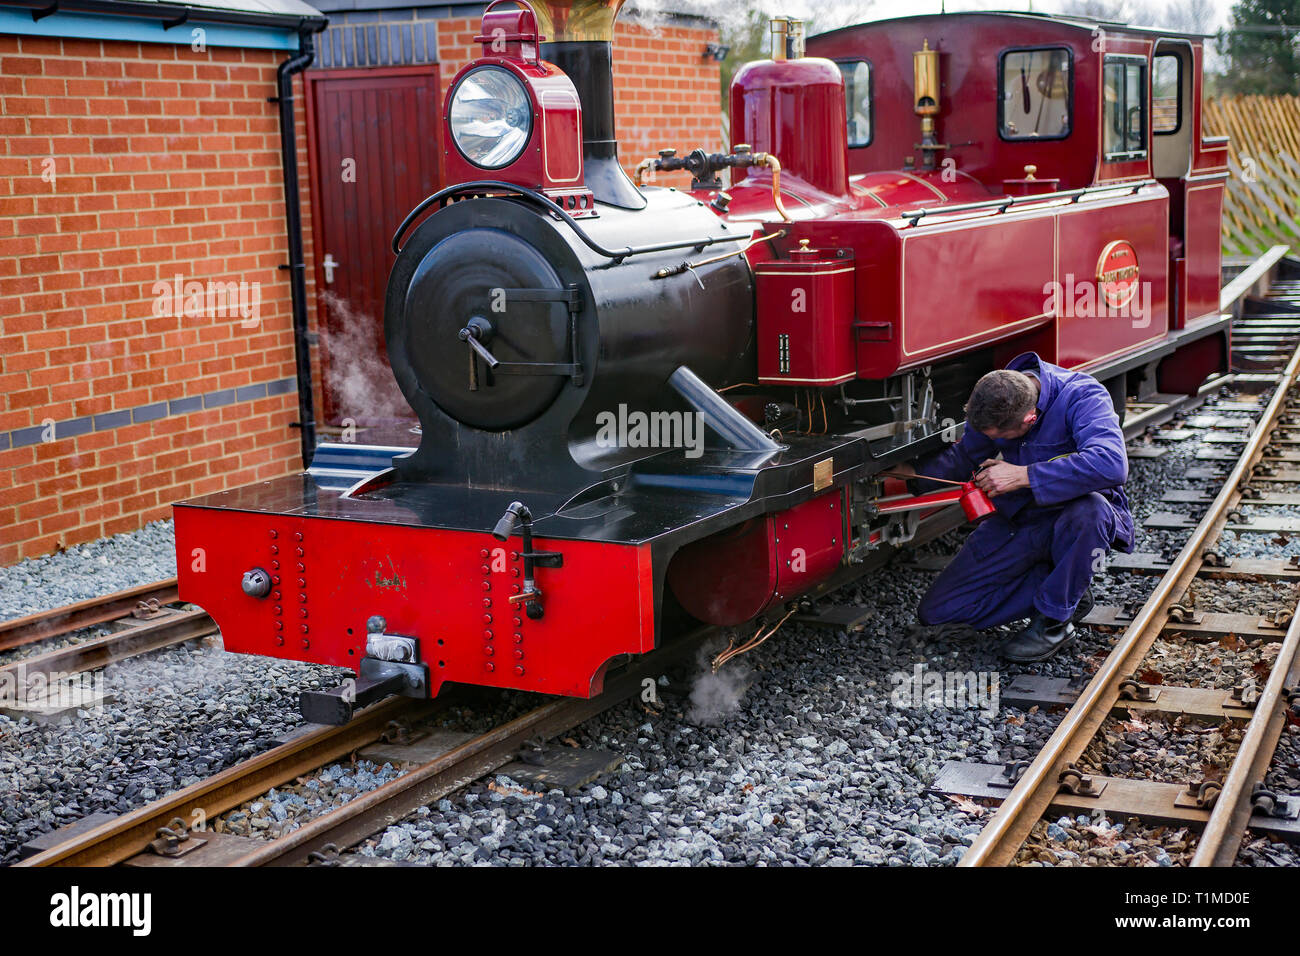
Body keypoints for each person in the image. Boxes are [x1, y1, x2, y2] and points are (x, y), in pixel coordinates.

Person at [893, 352, 1134, 662]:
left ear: (1029, 419)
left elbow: (1112, 465)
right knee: (938, 612)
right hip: (1023, 517)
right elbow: (965, 456)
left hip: (1076, 520)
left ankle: (1054, 622)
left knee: (1092, 510)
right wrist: (912, 478)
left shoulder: (1083, 396)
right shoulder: (999, 395)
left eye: (999, 436)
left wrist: (1023, 475)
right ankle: (1066, 588)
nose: (992, 440)